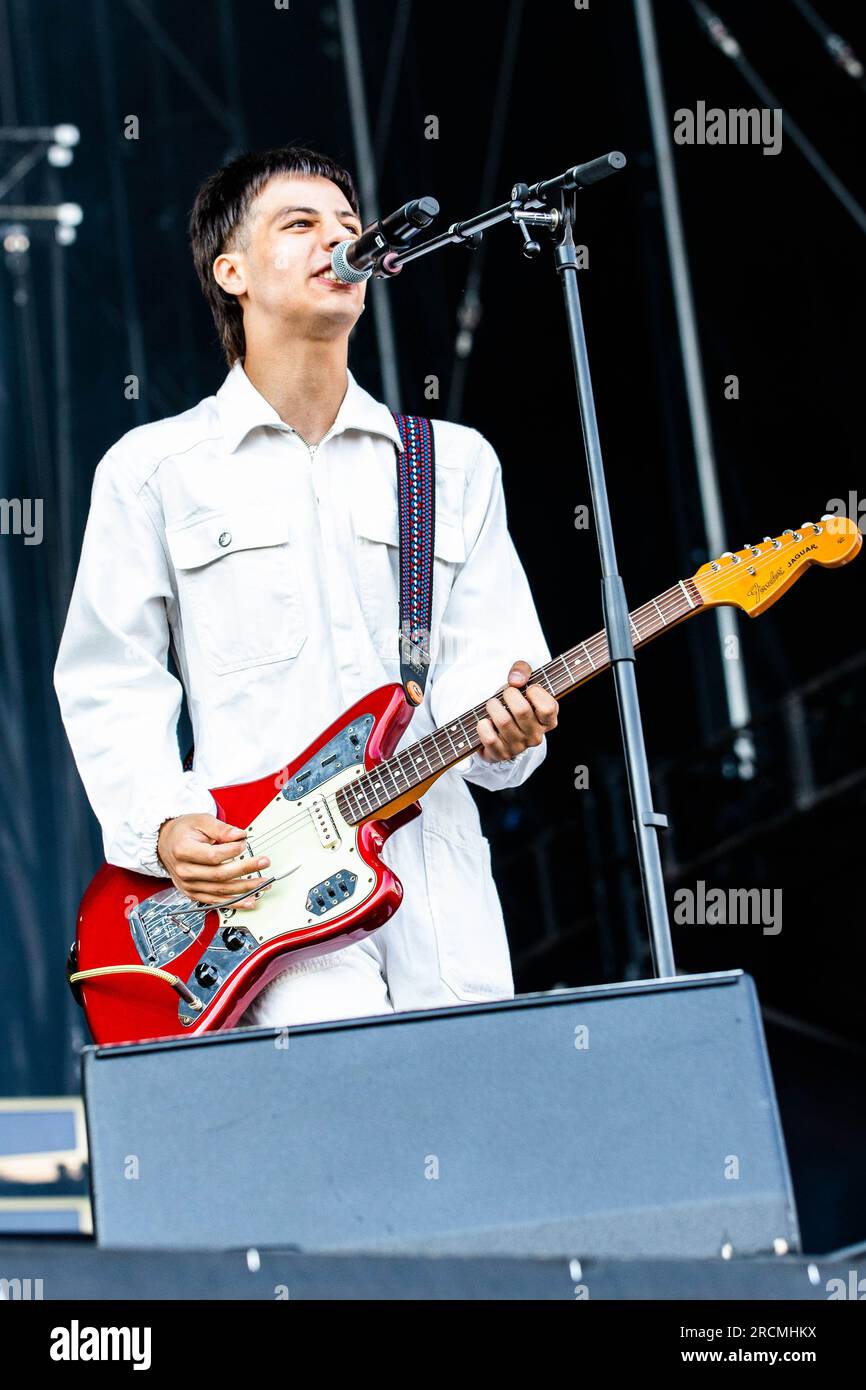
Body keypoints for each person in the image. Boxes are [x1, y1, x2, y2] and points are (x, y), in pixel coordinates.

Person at [53, 145, 558, 1028]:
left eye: (350, 226)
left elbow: (496, 712)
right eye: (301, 224)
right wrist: (166, 826)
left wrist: (510, 728)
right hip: (268, 901)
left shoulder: (449, 465)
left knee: (481, 1132)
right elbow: (109, 681)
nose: (340, 240)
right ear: (232, 270)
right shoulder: (153, 471)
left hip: (443, 893)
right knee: (337, 1135)